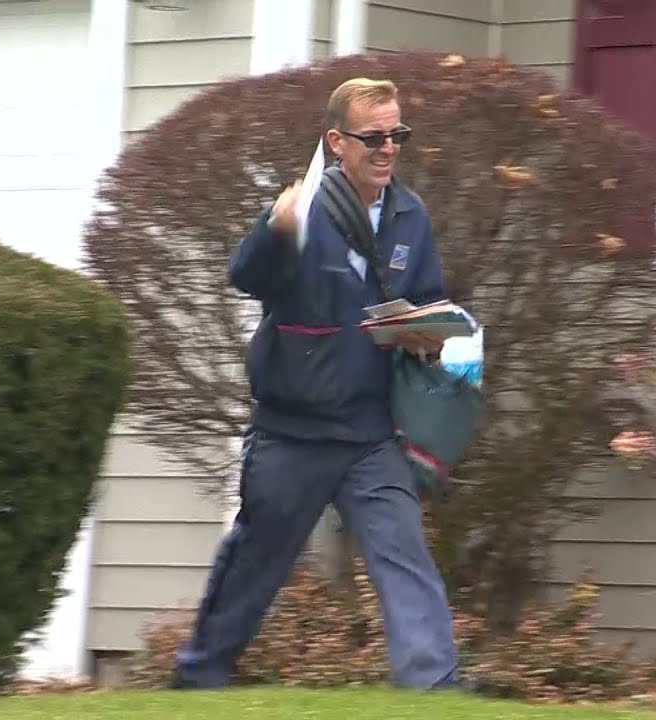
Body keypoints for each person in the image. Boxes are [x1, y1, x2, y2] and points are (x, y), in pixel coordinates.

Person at [170, 78, 459, 690]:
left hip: (371, 434)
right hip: (292, 433)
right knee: (255, 560)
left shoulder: (411, 217)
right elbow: (248, 278)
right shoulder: (302, 211)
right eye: (374, 137)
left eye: (397, 136)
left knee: (403, 554)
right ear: (337, 141)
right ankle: (200, 678)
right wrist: (273, 230)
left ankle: (433, 687)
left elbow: (430, 300)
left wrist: (427, 331)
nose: (387, 149)